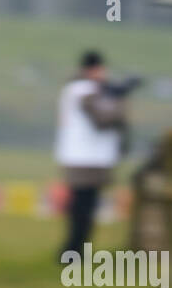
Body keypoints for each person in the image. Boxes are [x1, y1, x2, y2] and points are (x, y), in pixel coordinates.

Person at [53, 50, 129, 259]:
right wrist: (120, 99)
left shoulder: (76, 89)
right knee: (83, 206)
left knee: (82, 205)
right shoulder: (84, 90)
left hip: (81, 156)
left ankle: (74, 250)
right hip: (87, 158)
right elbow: (103, 119)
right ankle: (73, 250)